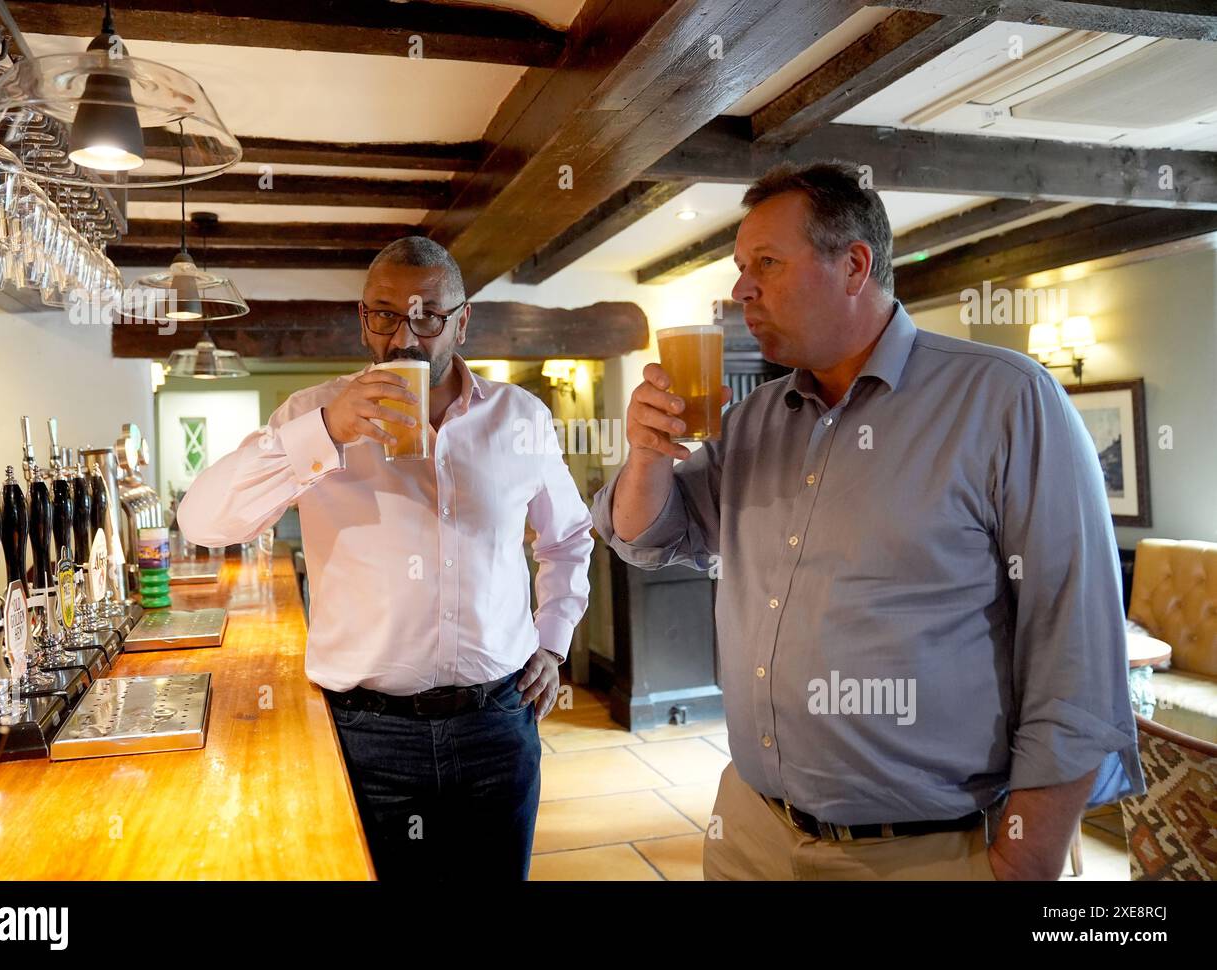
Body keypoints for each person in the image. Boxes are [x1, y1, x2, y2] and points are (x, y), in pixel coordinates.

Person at [591, 162, 1143, 880]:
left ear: (853, 266)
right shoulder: (756, 419)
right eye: (739, 267)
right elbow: (642, 538)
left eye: (766, 263)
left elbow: (1078, 647)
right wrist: (645, 453)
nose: (741, 290)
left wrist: (1025, 859)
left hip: (927, 850)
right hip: (752, 833)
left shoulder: (1005, 401)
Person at [178, 236, 593, 880]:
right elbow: (203, 522)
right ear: (363, 319)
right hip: (368, 735)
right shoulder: (310, 414)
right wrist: (325, 432)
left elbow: (567, 538)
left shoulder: (520, 417)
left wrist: (553, 642)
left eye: (429, 314)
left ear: (462, 320)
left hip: (497, 724)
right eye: (386, 313)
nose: (406, 335)